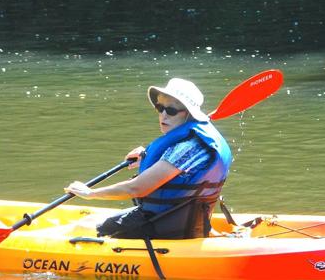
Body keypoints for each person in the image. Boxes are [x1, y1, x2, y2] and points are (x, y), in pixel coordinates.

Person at [64, 78, 232, 239]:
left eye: (171, 110)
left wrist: (90, 193)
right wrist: (146, 157)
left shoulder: (186, 148)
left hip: (160, 227)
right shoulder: (196, 143)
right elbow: (177, 168)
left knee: (81, 228)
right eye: (160, 108)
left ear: (189, 115)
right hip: (183, 224)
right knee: (88, 220)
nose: (163, 116)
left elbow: (136, 189)